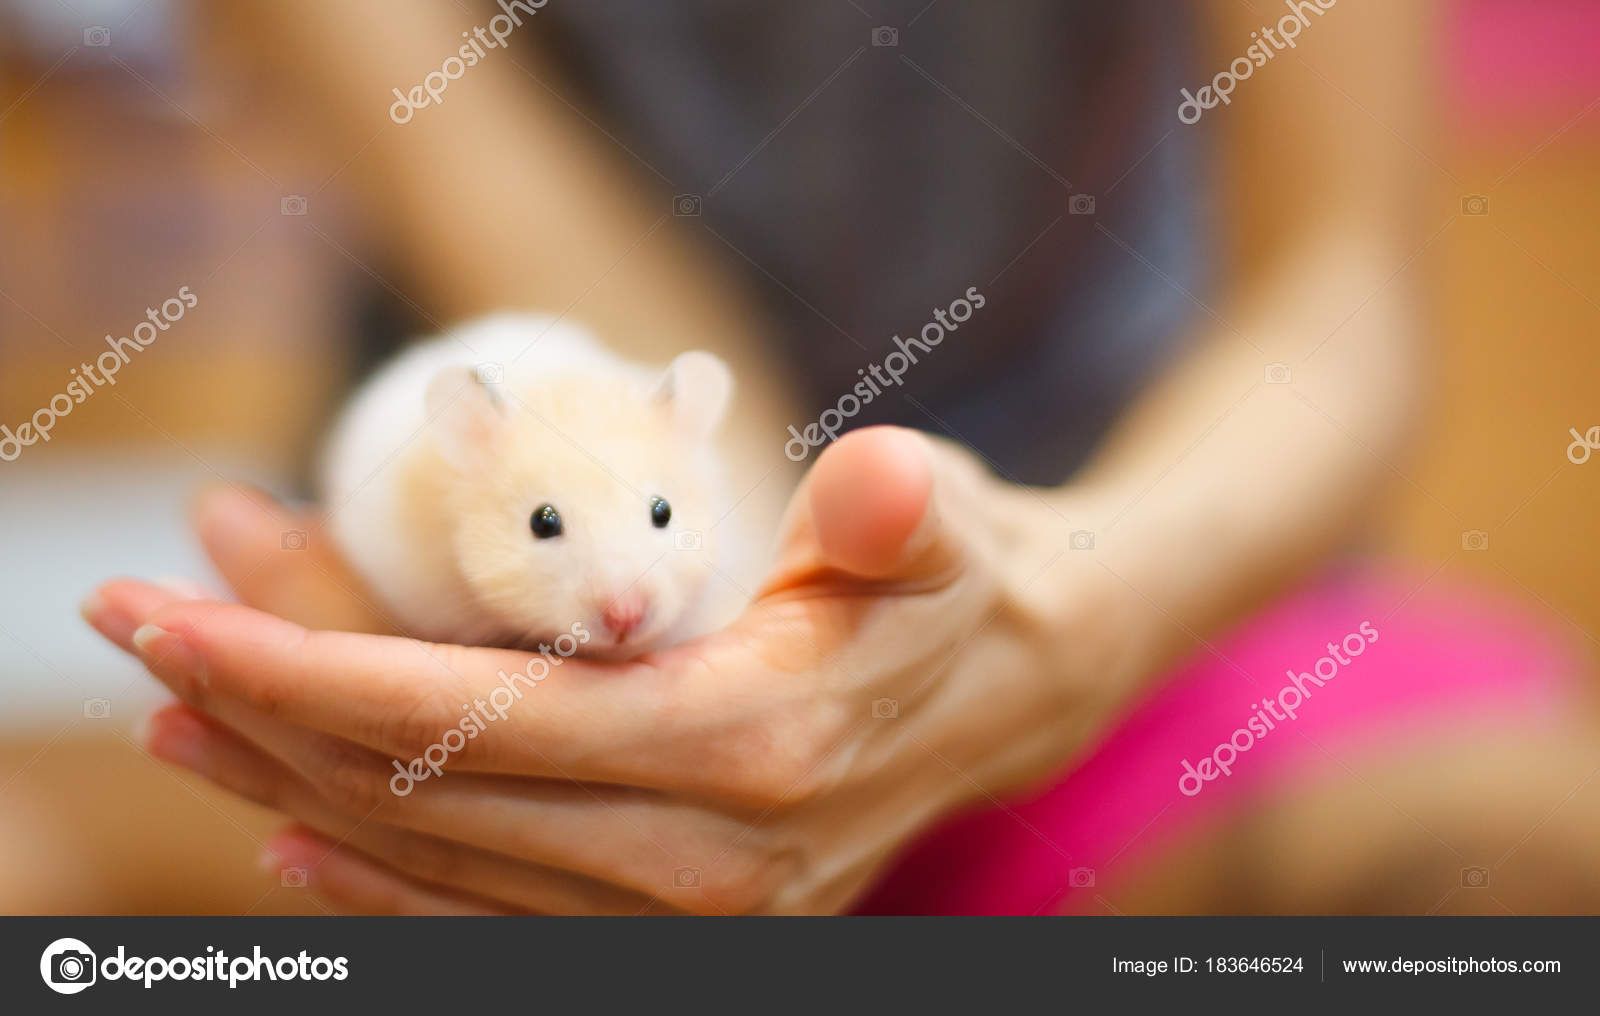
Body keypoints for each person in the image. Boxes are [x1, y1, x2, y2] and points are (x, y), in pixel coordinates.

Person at [82, 1, 1598, 915]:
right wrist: (740, 662)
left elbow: (1345, 303)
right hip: (498, 717)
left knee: (1530, 861)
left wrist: (1063, 617)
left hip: (1142, 578)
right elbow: (602, 315)